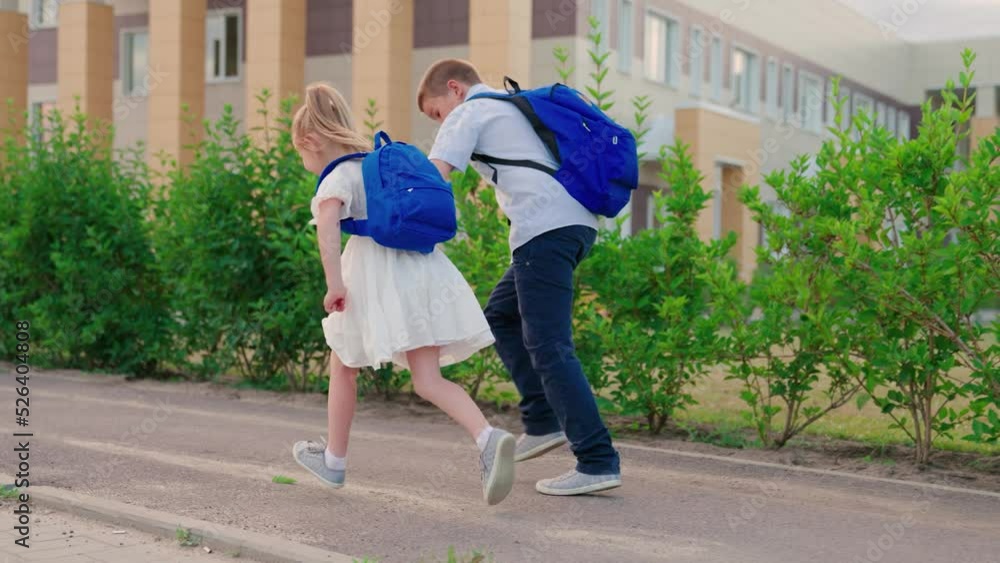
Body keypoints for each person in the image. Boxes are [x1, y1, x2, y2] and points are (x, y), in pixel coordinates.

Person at [289, 82, 516, 506]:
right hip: (422, 270)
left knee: (343, 366)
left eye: (299, 152)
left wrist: (334, 282)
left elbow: (327, 228)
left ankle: (335, 461)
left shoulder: (336, 177)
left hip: (373, 276)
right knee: (428, 379)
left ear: (308, 140)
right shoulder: (374, 165)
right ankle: (488, 436)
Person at [417, 60, 622, 496]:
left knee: (549, 344)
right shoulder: (508, 103)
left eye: (436, 113)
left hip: (544, 230)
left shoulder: (469, 112)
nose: (441, 122)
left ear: (454, 89)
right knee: (502, 317)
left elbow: (433, 180)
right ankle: (544, 421)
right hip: (574, 225)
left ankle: (596, 459)